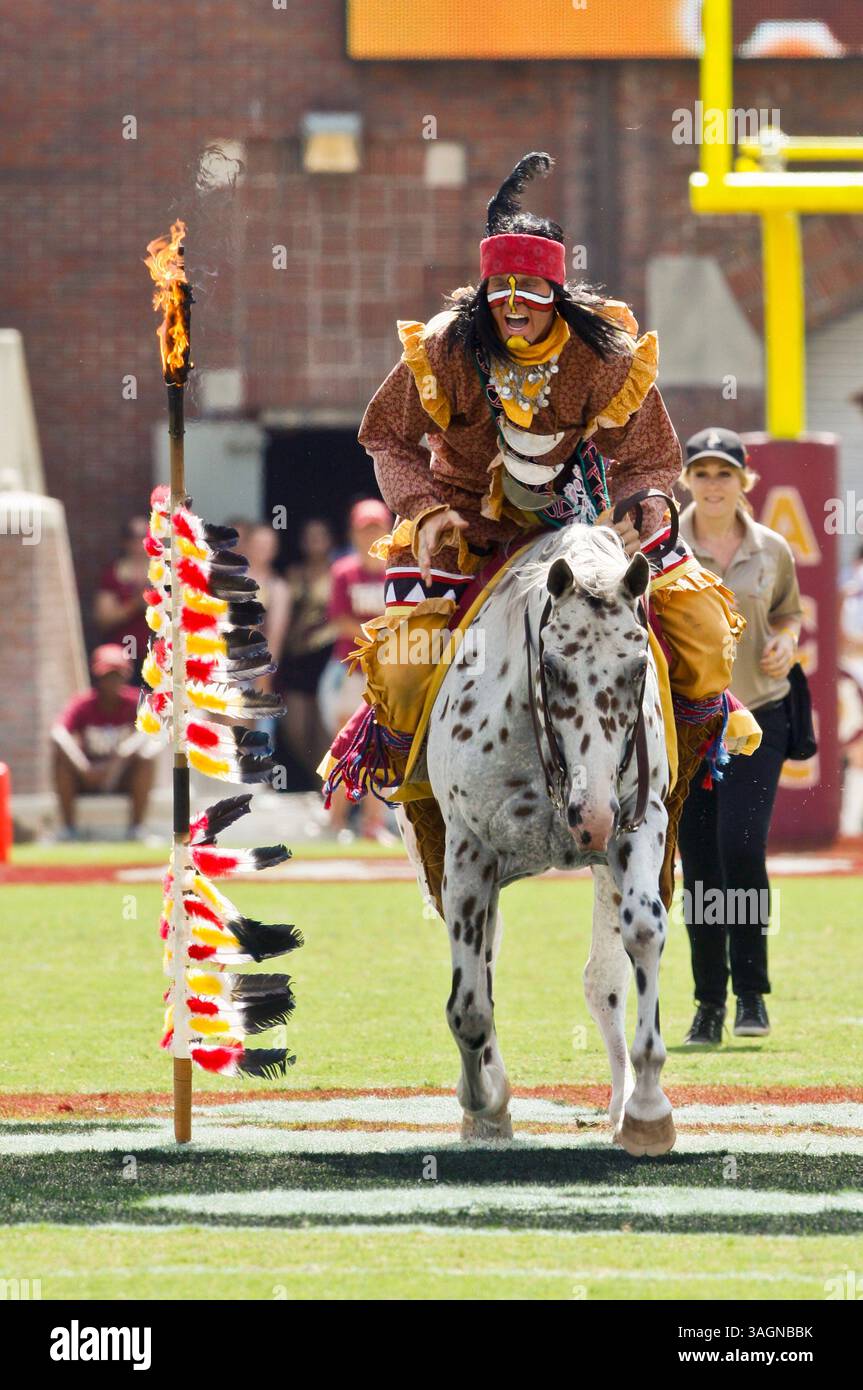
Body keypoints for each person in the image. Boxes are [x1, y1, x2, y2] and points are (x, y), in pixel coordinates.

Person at [318, 152, 759, 889]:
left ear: (557, 292)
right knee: (399, 670)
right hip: (462, 533)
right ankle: (424, 809)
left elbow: (649, 456)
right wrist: (422, 510)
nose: (512, 303)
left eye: (529, 288)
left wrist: (640, 505)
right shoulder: (442, 349)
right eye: (500, 288)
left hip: (581, 534)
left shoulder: (603, 353)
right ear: (483, 288)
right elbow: (384, 436)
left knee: (705, 633)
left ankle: (665, 795)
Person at [676, 428, 803, 1044]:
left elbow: (789, 610)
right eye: (701, 473)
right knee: (698, 865)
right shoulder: (663, 550)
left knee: (742, 848)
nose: (713, 484)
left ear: (744, 481)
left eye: (724, 473)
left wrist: (787, 639)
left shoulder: (773, 548)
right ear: (687, 481)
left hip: (759, 717)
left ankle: (752, 993)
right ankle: (708, 1004)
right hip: (690, 726)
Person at [318, 498, 393, 840]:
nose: (371, 536)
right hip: (351, 670)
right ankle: (336, 823)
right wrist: (377, 633)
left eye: (377, 528)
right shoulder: (344, 571)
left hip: (388, 673)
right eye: (365, 529)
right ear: (354, 532)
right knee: (344, 746)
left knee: (381, 747)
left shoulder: (397, 569)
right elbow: (339, 620)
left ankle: (372, 825)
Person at [51, 645, 158, 840]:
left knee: (147, 756)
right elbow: (58, 733)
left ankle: (136, 829)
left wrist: (123, 753)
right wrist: (83, 766)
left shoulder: (135, 702)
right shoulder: (83, 703)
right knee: (60, 759)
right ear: (98, 678)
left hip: (121, 775)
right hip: (88, 775)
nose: (112, 682)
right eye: (107, 676)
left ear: (125, 676)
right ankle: (68, 829)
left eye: (117, 675)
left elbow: (151, 730)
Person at [275, 517, 336, 784]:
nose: (315, 543)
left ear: (330, 540)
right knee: (296, 729)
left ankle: (324, 786)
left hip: (328, 655)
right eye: (309, 537)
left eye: (320, 536)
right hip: (296, 657)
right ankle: (317, 776)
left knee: (324, 727)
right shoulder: (293, 574)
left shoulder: (338, 572)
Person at [94, 517, 152, 683]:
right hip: (122, 661)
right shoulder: (113, 575)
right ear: (125, 542)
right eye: (136, 539)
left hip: (159, 659)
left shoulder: (166, 574)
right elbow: (104, 619)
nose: (141, 545)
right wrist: (135, 604)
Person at [839, 543, 863, 834]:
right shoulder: (850, 587)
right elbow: (840, 638)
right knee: (856, 750)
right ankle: (848, 826)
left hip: (850, 674)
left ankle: (849, 825)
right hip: (850, 675)